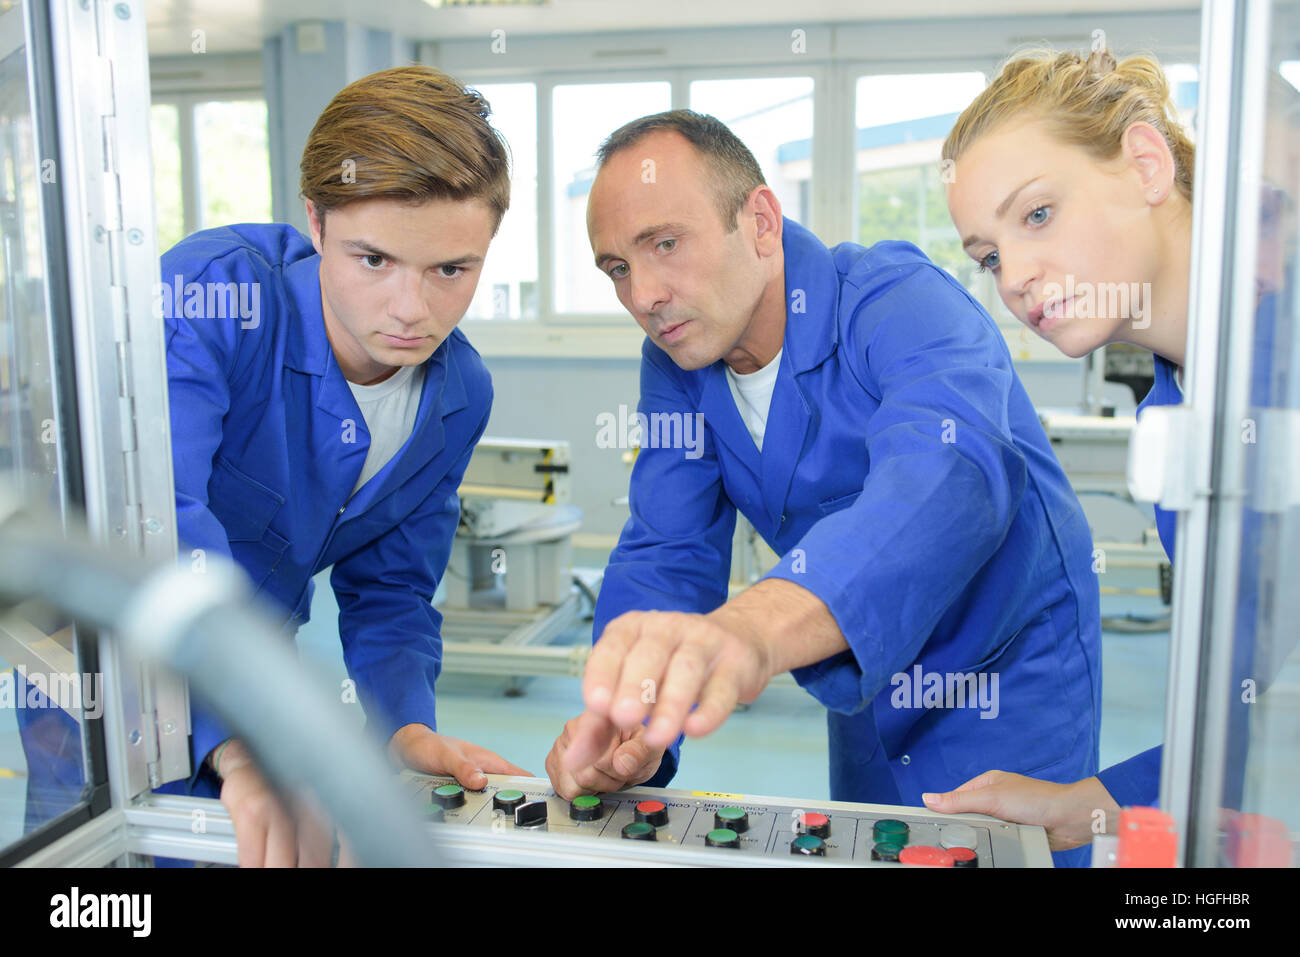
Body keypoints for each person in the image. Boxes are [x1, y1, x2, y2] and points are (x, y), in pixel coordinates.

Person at [544, 109, 1104, 867]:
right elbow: (667, 547)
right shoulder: (678, 366)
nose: (643, 294)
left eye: (665, 244)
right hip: (862, 668)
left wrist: (752, 628)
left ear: (762, 222)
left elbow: (950, 478)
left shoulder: (897, 298)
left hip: (1004, 666)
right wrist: (627, 711)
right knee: (877, 849)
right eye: (617, 267)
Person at [18, 65, 533, 866]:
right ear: (316, 223)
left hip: (248, 667)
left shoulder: (459, 393)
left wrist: (403, 726)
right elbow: (161, 524)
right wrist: (244, 736)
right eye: (374, 260)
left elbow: (392, 587)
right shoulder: (211, 296)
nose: (412, 309)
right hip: (99, 665)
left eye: (451, 270)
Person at [931, 46, 1296, 854]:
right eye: (989, 258)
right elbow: (1243, 688)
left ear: (1143, 163)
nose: (1015, 276)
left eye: (1036, 215)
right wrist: (1085, 806)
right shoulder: (1183, 423)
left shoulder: (1282, 342)